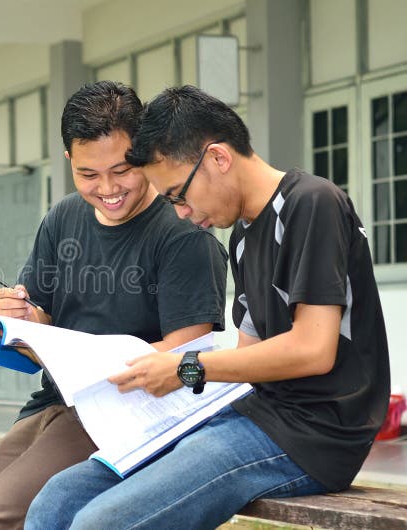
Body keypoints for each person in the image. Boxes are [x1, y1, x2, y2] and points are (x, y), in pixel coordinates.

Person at [25, 85, 391, 530]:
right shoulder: (242, 234)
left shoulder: (311, 203)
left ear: (218, 158)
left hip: (314, 435)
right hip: (255, 415)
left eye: (178, 194)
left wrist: (186, 368)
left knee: (102, 523)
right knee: (59, 499)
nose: (180, 212)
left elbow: (314, 349)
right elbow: (248, 359)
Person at [0, 81, 229, 529]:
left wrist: (101, 364)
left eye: (122, 169)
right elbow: (42, 313)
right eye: (88, 174)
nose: (107, 188)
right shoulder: (63, 218)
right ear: (69, 160)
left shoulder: (183, 235)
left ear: (145, 149)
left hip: (125, 408)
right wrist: (23, 316)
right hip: (57, 400)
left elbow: (191, 352)